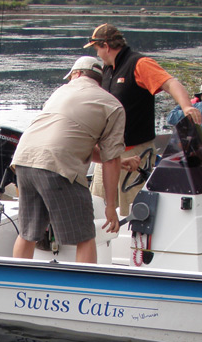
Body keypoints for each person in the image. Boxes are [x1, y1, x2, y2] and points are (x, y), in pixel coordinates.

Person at [10, 56, 124, 264]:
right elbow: (111, 159)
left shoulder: (59, 93)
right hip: (58, 166)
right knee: (85, 237)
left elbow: (69, 141)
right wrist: (110, 207)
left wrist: (121, 162)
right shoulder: (112, 105)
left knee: (27, 233)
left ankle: (15, 280)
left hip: (24, 160)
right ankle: (84, 285)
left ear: (76, 74)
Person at [84, 23, 202, 216]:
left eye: (97, 48)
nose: (97, 53)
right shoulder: (107, 70)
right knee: (98, 206)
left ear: (106, 46)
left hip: (136, 151)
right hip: (107, 154)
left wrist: (186, 106)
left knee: (135, 210)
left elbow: (170, 83)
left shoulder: (139, 64)